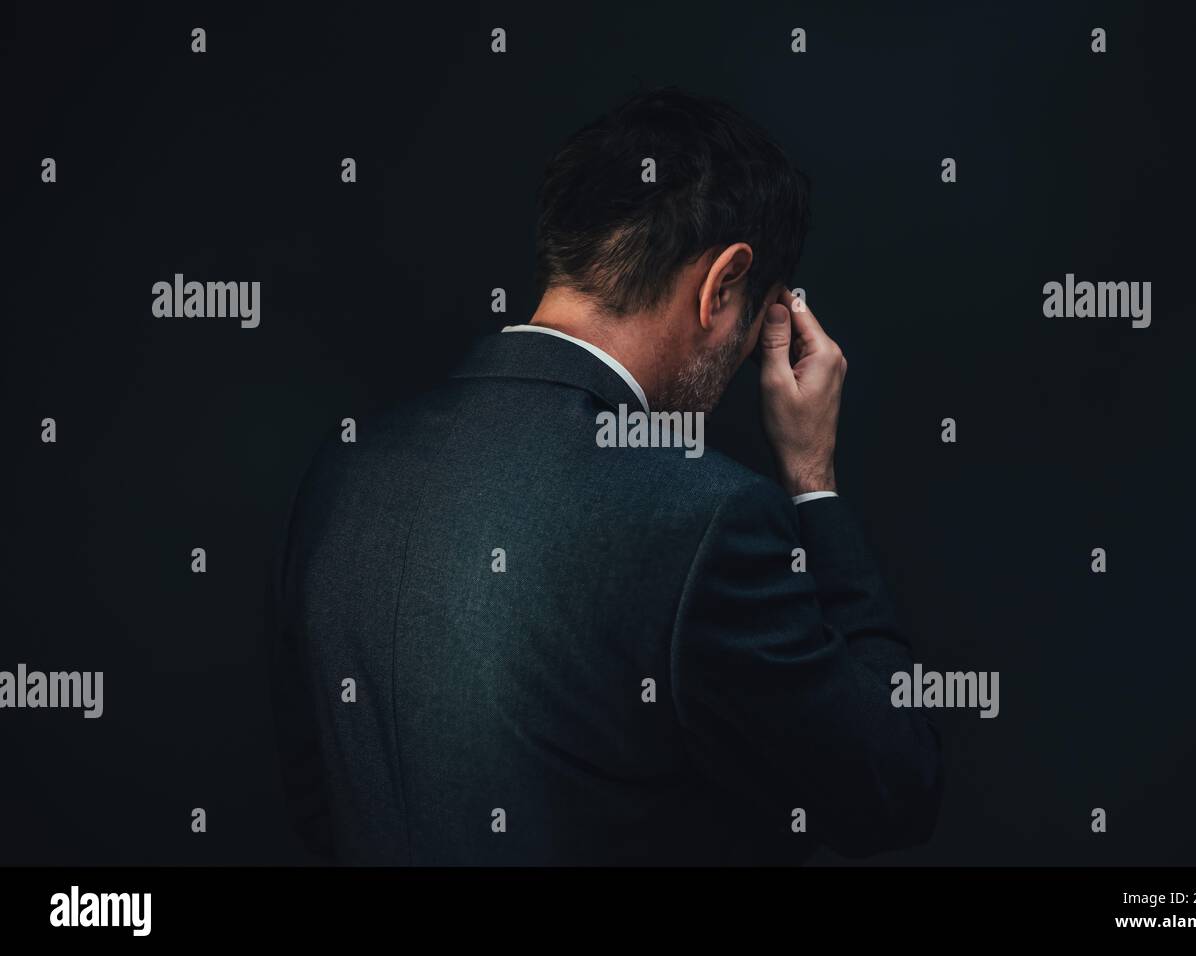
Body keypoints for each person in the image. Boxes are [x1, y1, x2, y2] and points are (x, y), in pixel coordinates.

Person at [269, 88, 942, 865]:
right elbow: (894, 785)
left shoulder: (342, 471)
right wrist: (812, 478)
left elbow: (316, 795)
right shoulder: (707, 520)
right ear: (724, 285)